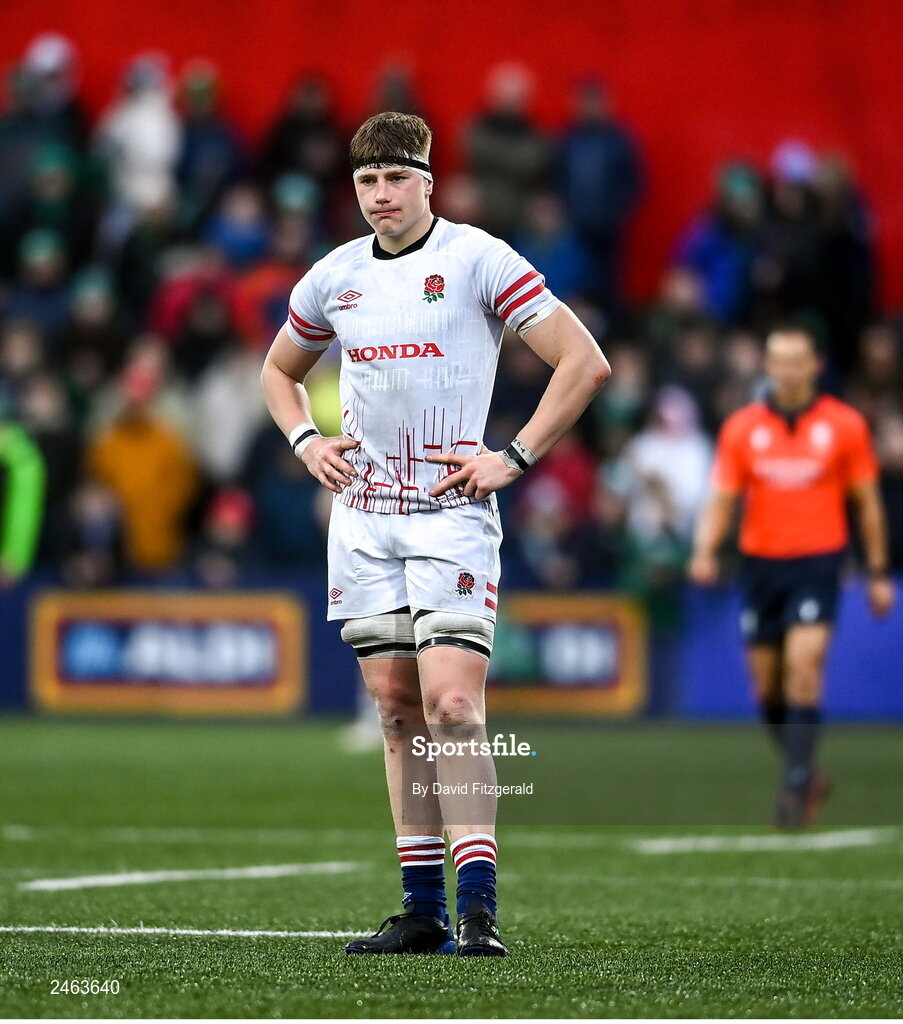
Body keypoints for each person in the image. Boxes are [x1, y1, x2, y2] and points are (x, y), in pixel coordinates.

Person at [261, 112, 609, 955]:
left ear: (427, 178)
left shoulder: (477, 258)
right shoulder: (333, 277)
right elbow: (277, 371)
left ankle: (478, 907)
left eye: (393, 178)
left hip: (452, 514)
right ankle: (419, 910)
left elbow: (584, 361)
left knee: (453, 707)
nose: (379, 196)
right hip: (364, 518)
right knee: (394, 709)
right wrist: (306, 440)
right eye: (365, 183)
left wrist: (515, 456)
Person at [688, 323, 895, 828]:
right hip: (761, 566)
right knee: (766, 691)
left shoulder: (845, 426)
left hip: (819, 563)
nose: (786, 369)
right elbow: (723, 497)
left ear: (815, 365)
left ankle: (797, 785)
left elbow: (867, 504)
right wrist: (705, 549)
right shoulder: (743, 428)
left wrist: (878, 571)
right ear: (768, 366)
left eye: (795, 359)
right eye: (777, 360)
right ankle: (806, 769)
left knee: (804, 669)